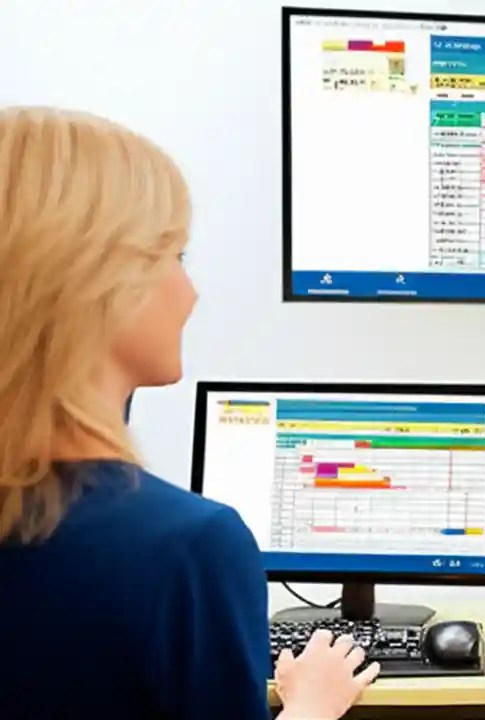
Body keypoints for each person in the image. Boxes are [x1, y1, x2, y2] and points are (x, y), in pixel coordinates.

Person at [0, 106, 379, 719]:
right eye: (175, 256)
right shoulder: (185, 549)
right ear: (99, 281)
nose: (191, 291)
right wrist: (312, 706)